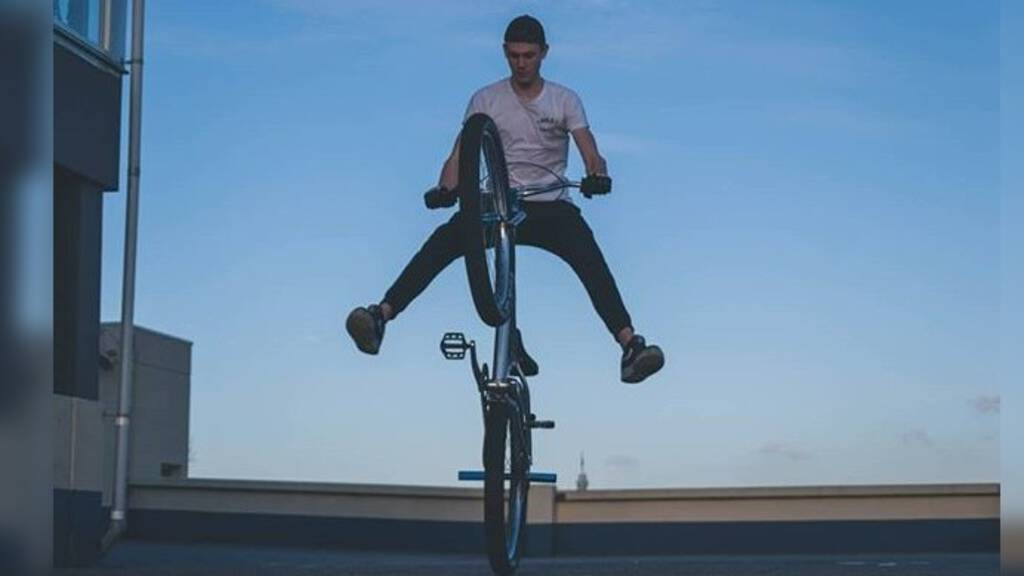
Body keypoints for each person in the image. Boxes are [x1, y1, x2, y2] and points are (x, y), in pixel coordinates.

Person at [346, 14, 664, 384]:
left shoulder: (564, 99)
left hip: (549, 204)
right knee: (443, 242)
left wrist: (598, 175)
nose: (521, 63)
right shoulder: (486, 99)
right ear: (504, 53)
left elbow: (590, 151)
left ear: (544, 53)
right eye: (513, 56)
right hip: (495, 200)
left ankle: (629, 347)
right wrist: (446, 189)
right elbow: (459, 156)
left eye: (529, 55)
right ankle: (380, 316)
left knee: (589, 257)